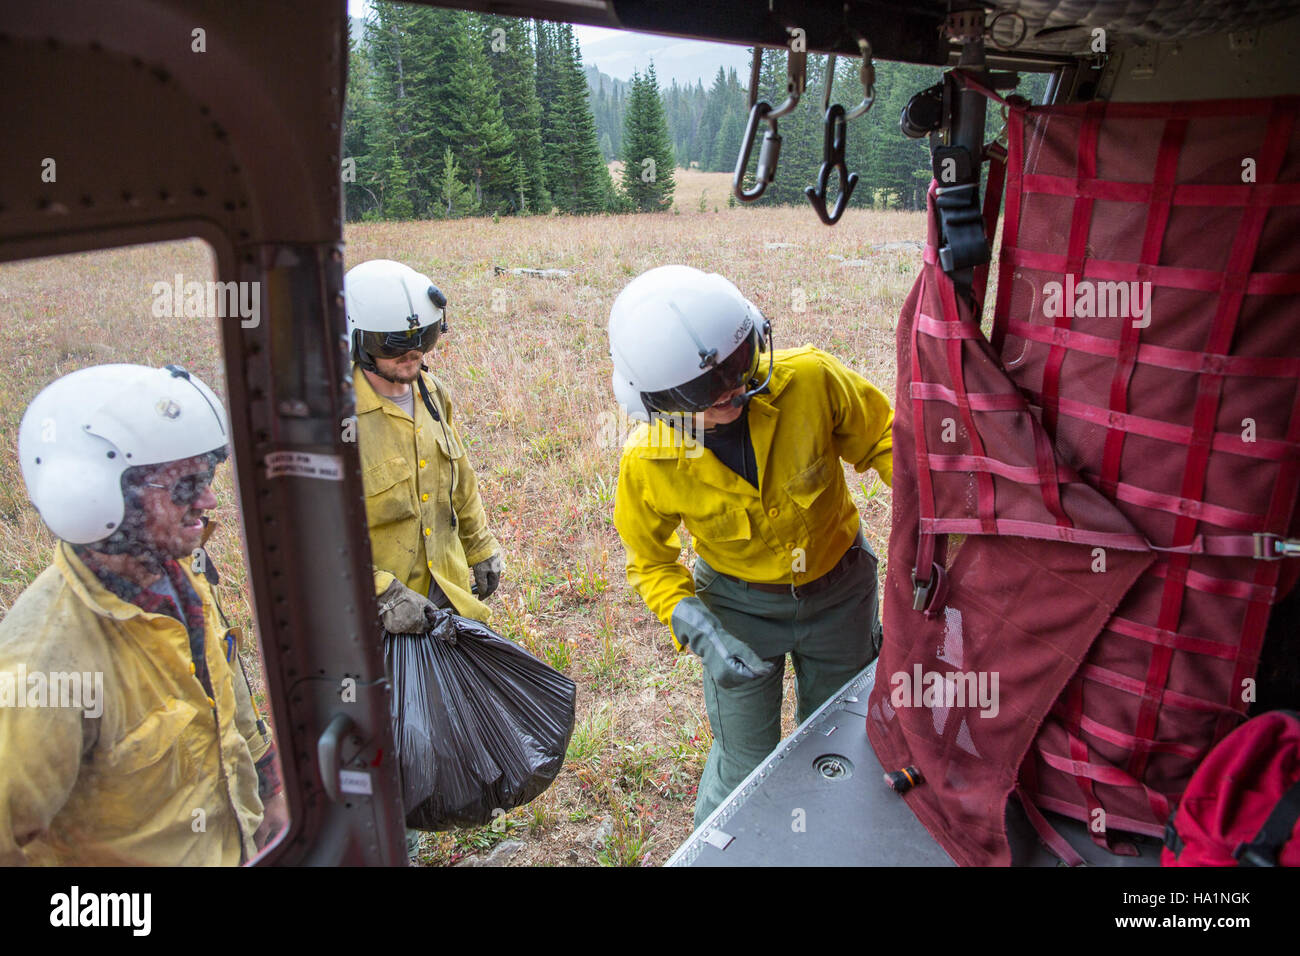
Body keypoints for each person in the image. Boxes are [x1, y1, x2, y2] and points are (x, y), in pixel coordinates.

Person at [608, 265, 893, 828]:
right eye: (708, 395)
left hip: (841, 593)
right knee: (745, 763)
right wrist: (703, 631)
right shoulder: (647, 460)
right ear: (661, 400)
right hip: (738, 612)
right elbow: (650, 561)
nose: (734, 395)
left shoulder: (810, 379)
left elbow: (885, 439)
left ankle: (829, 843)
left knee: (841, 746)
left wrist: (937, 518)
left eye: (740, 373)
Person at [1, 363, 284, 865]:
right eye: (185, 484)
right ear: (95, 494)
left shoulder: (179, 573)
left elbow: (228, 692)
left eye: (210, 476)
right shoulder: (42, 666)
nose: (208, 499)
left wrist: (270, 786)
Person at [345, 259, 505, 861]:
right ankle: (393, 847)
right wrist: (381, 593)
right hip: (373, 625)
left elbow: (459, 475)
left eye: (423, 348)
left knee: (434, 723)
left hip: (441, 598)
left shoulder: (430, 394)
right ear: (361, 344)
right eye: (397, 354)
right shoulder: (336, 423)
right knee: (381, 742)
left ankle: (435, 810)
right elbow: (324, 539)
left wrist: (481, 545)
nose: (412, 365)